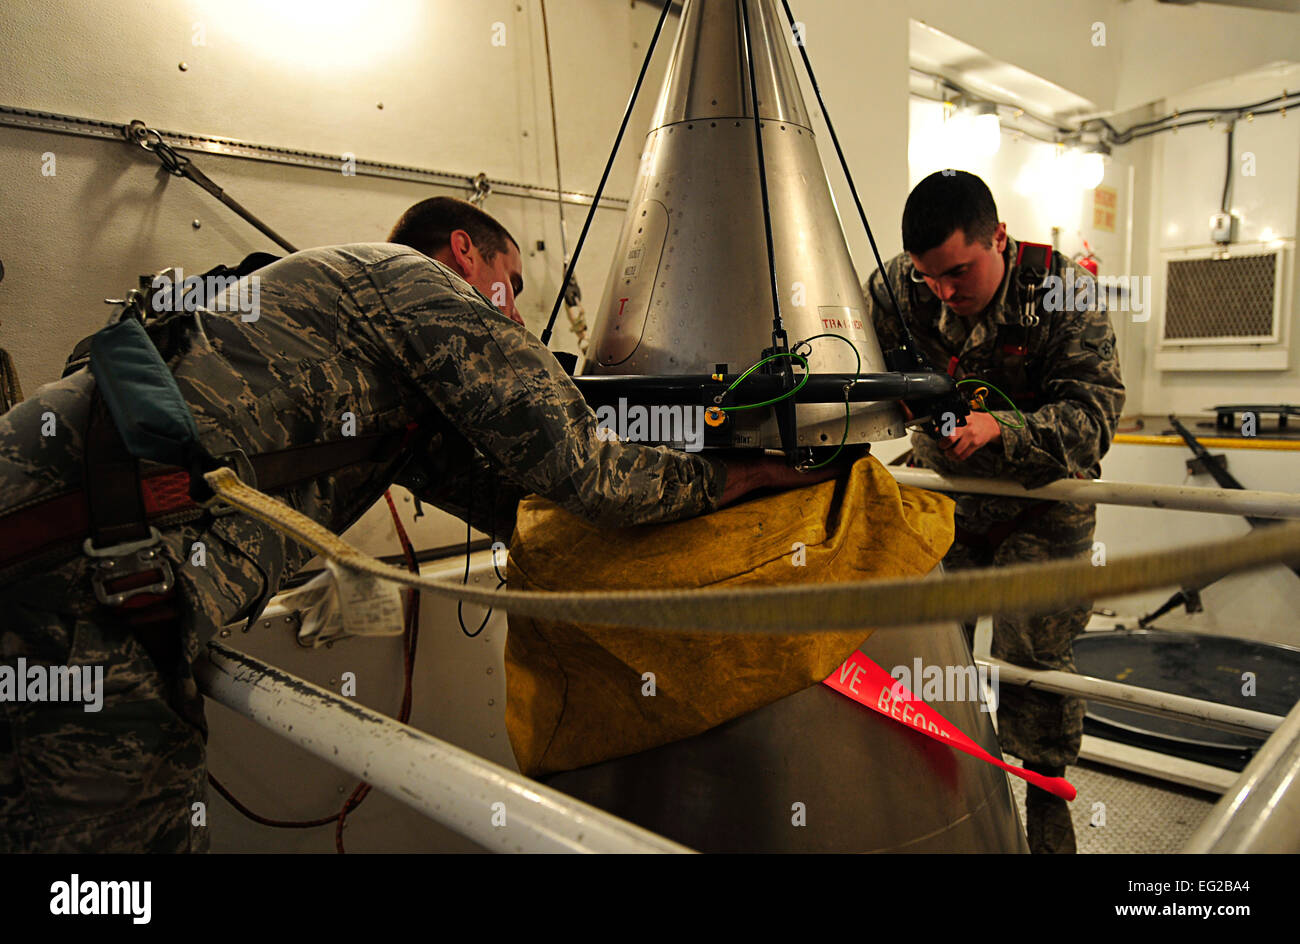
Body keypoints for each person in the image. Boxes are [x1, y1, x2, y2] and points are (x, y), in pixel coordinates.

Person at [0, 197, 818, 853]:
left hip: (74, 574)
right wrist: (733, 476)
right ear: (465, 253)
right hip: (72, 588)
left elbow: (522, 502)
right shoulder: (404, 280)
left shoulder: (377, 377)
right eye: (511, 289)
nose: (514, 324)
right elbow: (583, 467)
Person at [862, 171, 1125, 854]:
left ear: (998, 238)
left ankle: (1046, 811)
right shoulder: (898, 289)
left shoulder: (1060, 289)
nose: (947, 292)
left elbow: (1095, 419)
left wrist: (1002, 432)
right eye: (931, 278)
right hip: (944, 503)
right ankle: (942, 813)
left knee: (1032, 669)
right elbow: (858, 364)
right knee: (927, 663)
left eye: (959, 271)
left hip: (1040, 512)